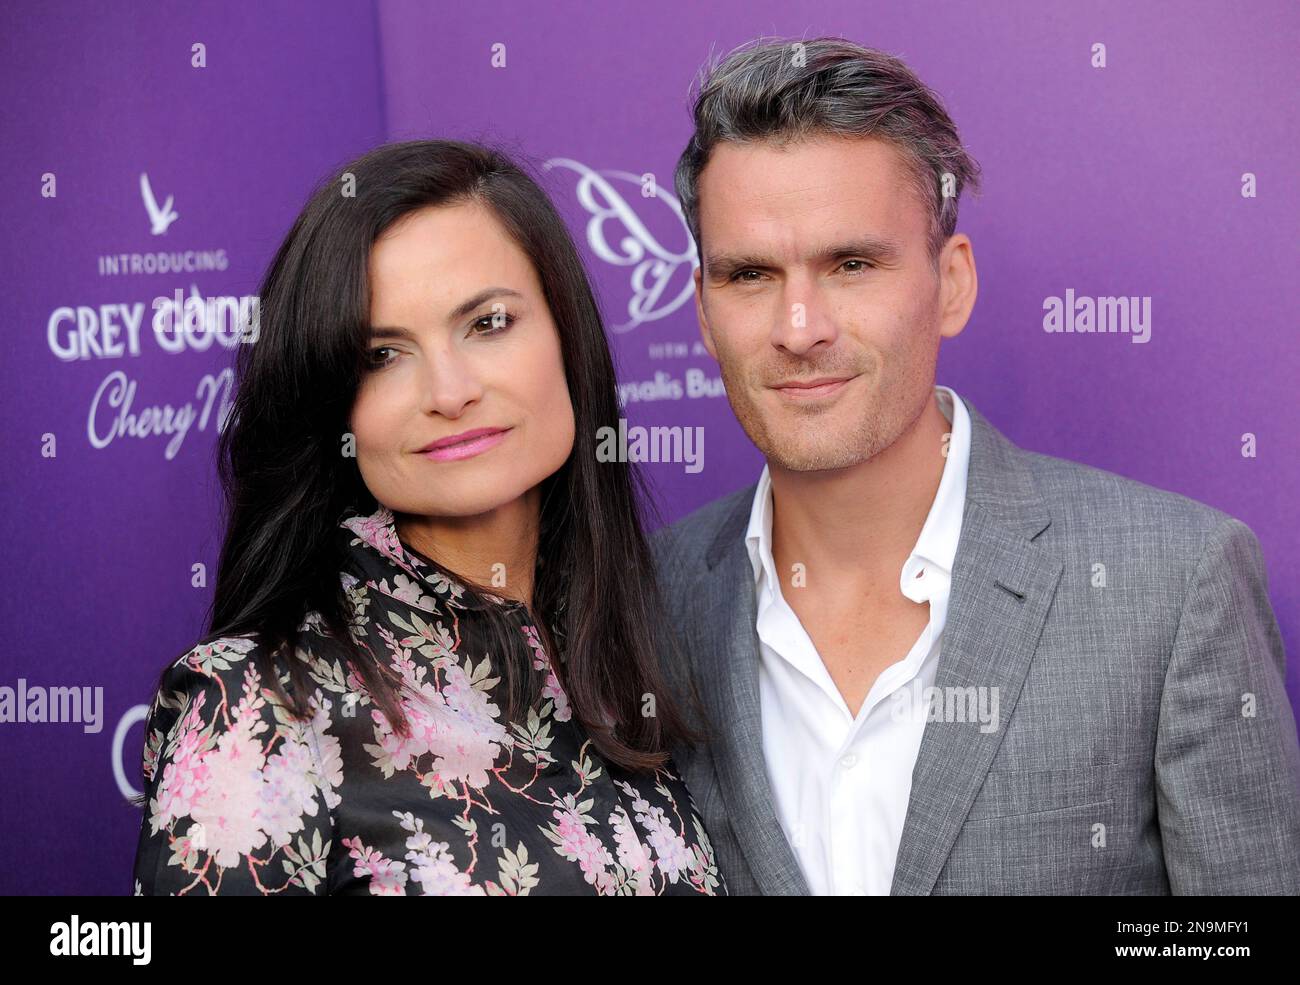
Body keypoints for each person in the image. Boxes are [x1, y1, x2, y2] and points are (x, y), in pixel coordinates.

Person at [651, 36, 1300, 895]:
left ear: (950, 283)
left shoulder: (1174, 584)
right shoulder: (646, 602)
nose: (799, 326)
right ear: (702, 310)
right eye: (749, 274)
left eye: (851, 264)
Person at [131, 139, 725, 896]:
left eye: (488, 322)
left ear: (565, 333)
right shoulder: (259, 703)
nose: (449, 390)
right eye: (381, 356)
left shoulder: (634, 655)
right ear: (331, 405)